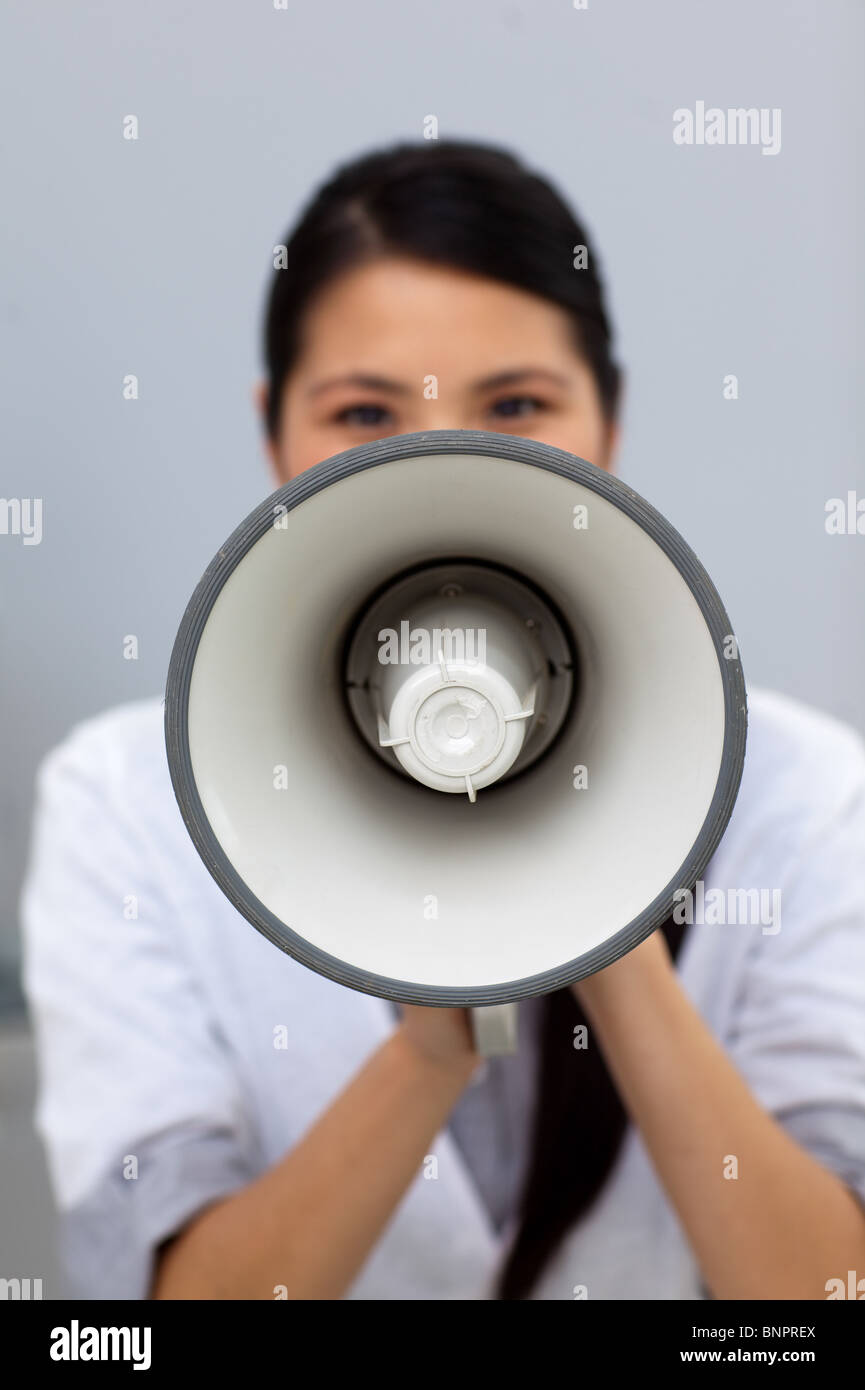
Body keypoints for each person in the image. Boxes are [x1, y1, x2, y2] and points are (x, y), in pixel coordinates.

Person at [20, 140, 865, 1301]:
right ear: (275, 437)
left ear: (609, 424)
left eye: (516, 403)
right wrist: (429, 1048)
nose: (442, 458)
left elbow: (825, 1299)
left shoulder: (805, 794)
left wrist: (604, 896)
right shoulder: (125, 800)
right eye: (363, 410)